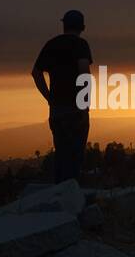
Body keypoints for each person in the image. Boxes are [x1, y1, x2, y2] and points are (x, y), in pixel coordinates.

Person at [32, 10, 92, 184]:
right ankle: (71, 198)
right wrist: (84, 104)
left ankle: (60, 194)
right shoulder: (81, 45)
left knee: (62, 155)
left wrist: (49, 97)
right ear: (82, 27)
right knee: (75, 157)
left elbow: (36, 73)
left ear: (64, 25)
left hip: (57, 110)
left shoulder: (51, 44)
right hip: (76, 109)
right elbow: (84, 73)